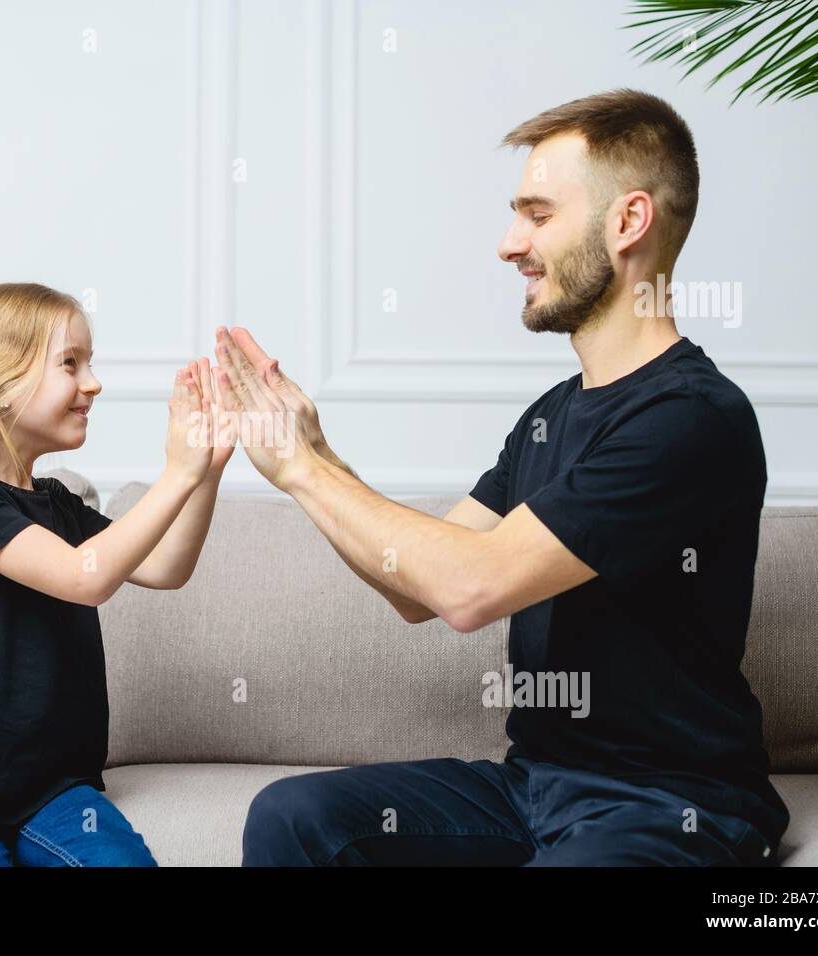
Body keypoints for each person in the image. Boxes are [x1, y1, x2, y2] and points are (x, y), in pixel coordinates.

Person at [217, 89, 789, 866]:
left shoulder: (692, 418)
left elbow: (470, 590)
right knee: (294, 817)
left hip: (671, 805)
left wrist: (303, 474)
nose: (509, 243)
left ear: (626, 222)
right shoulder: (550, 416)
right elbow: (417, 590)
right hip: (535, 788)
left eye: (538, 213)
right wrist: (315, 460)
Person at [0, 282, 235, 865]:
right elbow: (84, 577)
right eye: (70, 363)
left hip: (55, 787)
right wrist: (175, 473)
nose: (93, 382)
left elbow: (169, 567)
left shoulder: (58, 503)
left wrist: (204, 473)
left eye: (89, 363)